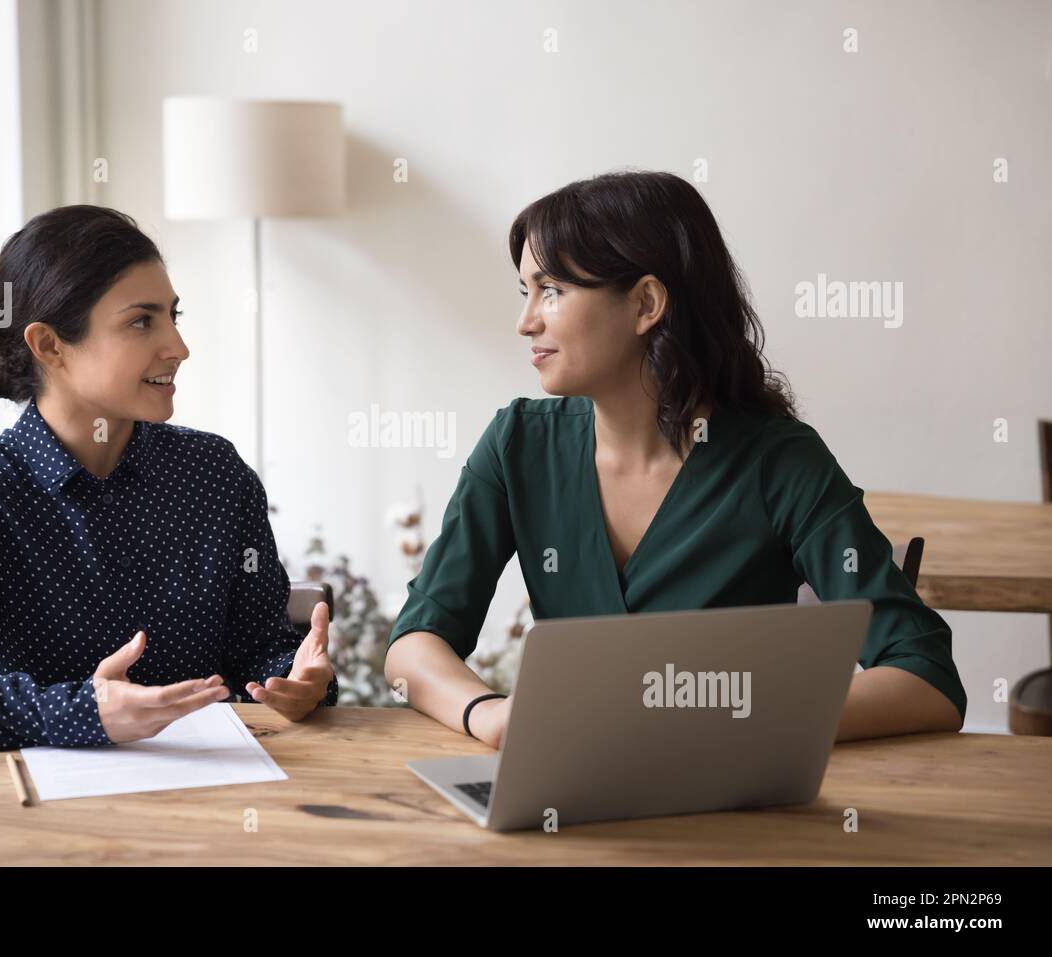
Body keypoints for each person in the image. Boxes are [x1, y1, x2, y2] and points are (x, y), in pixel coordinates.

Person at [384, 170, 965, 748]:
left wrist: (727, 723)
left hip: (729, 813)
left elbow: (926, 679)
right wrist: (488, 715)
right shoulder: (518, 445)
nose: (526, 320)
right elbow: (414, 644)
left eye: (552, 290)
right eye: (526, 291)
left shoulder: (779, 463)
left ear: (645, 303)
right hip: (566, 799)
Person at [0, 205, 336, 752]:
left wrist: (297, 681)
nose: (178, 347)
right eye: (141, 321)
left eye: (174, 316)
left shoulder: (216, 474)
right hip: (54, 809)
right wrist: (78, 711)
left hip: (218, 791)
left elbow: (261, 651)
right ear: (50, 345)